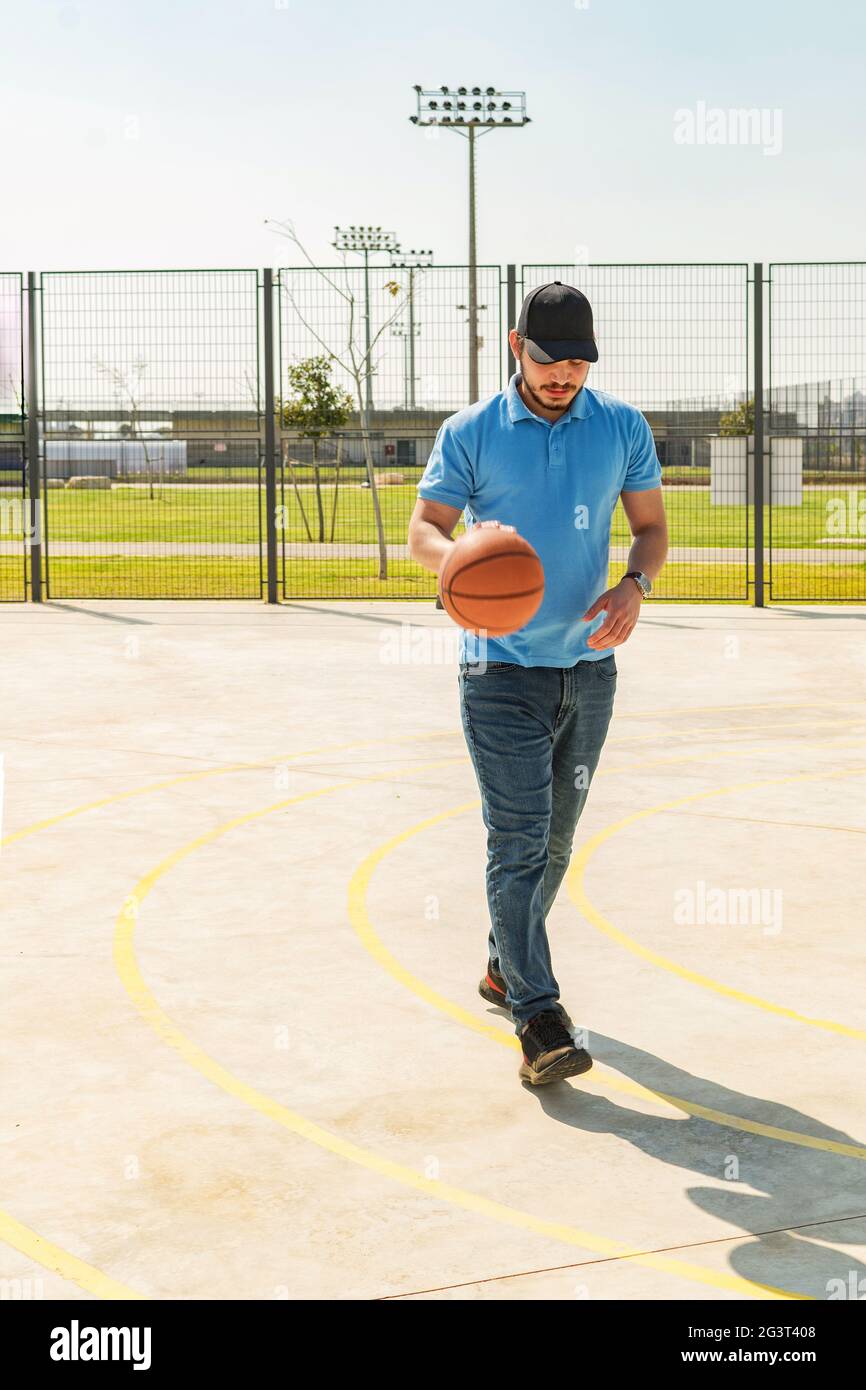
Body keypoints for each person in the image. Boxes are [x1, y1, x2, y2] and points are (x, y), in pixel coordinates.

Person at [407, 282, 668, 1086]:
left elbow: (651, 528)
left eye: (579, 363)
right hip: (500, 673)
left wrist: (634, 585)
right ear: (518, 348)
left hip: (589, 670)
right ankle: (539, 1016)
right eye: (551, 360)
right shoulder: (472, 431)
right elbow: (424, 529)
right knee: (518, 840)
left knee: (556, 843)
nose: (564, 376)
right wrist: (459, 555)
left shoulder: (621, 426)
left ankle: (502, 966)